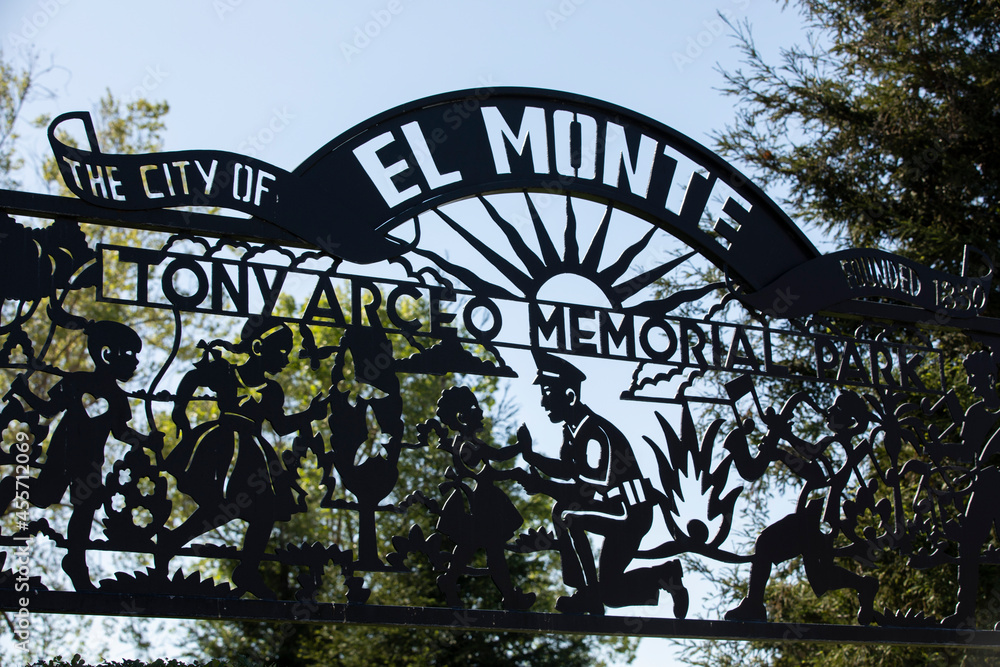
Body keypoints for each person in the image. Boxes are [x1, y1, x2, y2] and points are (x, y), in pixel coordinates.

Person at [158, 318, 324, 598]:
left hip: (251, 453)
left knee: (262, 511)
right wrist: (179, 411)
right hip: (221, 447)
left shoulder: (272, 390)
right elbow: (193, 378)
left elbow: (281, 426)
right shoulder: (226, 372)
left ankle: (243, 569)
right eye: (281, 351)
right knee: (225, 505)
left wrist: (310, 414)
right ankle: (174, 542)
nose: (286, 359)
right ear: (258, 347)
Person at [517, 351, 688, 616]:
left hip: (630, 511)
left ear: (570, 396)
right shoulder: (573, 430)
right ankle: (665, 576)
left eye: (549, 392)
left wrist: (543, 486)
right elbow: (568, 471)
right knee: (613, 594)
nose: (542, 401)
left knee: (567, 516)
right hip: (616, 508)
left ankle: (588, 593)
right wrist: (532, 458)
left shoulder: (594, 433)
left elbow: (585, 490)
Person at [0, 320, 161, 590]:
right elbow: (49, 409)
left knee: (86, 506)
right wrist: (24, 391)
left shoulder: (117, 397)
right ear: (108, 354)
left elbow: (121, 432)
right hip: (64, 455)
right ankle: (9, 488)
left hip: (90, 463)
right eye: (129, 354)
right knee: (44, 496)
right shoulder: (76, 382)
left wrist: (146, 440)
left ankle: (76, 561)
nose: (135, 362)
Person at [432, 385, 535, 610]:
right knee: (492, 549)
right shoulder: (466, 444)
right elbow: (483, 471)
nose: (481, 414)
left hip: (486, 500)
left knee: (475, 546)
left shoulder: (472, 442)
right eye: (475, 410)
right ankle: (507, 597)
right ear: (463, 416)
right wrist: (515, 468)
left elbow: (497, 456)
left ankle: (452, 580)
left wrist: (519, 449)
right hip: (481, 502)